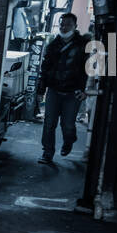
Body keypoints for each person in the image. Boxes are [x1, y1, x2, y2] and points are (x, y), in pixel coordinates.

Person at [36, 12, 89, 164]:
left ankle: (69, 141)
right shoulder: (53, 45)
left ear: (75, 26)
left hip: (73, 92)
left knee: (67, 124)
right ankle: (47, 152)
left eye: (68, 24)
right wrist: (41, 91)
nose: (64, 27)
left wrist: (84, 89)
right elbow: (45, 69)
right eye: (62, 24)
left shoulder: (83, 44)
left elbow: (88, 70)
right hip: (54, 90)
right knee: (49, 123)